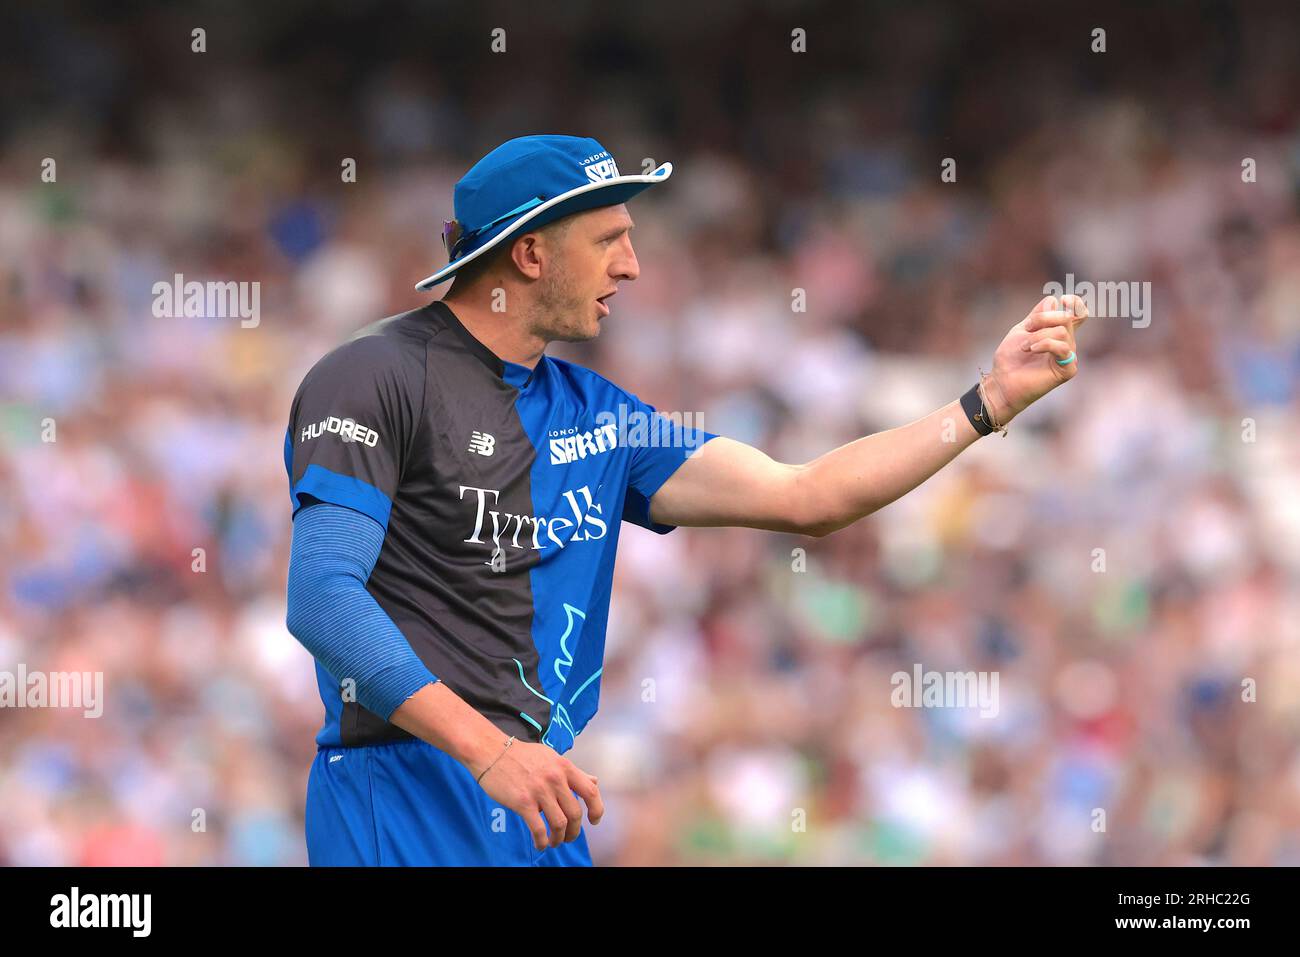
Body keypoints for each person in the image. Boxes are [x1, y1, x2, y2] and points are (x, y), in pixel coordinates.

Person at [283, 134, 1087, 866]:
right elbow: (323, 598)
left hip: (537, 797)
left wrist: (984, 405)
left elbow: (807, 494)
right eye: (609, 241)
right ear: (529, 253)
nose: (631, 266)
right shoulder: (373, 375)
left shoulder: (596, 412)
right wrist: (489, 752)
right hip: (409, 790)